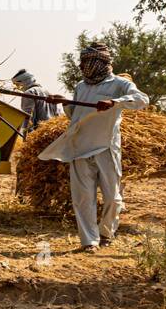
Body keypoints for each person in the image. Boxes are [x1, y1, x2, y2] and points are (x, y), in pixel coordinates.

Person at [62, 43, 149, 252]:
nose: (82, 67)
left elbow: (142, 100)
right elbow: (75, 116)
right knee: (83, 199)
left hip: (105, 147)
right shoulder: (81, 87)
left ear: (98, 62)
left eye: (86, 62)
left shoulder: (119, 84)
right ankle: (89, 242)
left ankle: (106, 232)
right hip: (80, 147)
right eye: (82, 63)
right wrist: (64, 103)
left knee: (112, 196)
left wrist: (115, 102)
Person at [11, 68, 61, 133]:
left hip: (40, 134)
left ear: (24, 81)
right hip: (54, 131)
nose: (16, 88)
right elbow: (57, 115)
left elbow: (28, 118)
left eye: (16, 85)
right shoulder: (48, 93)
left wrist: (26, 136)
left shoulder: (28, 93)